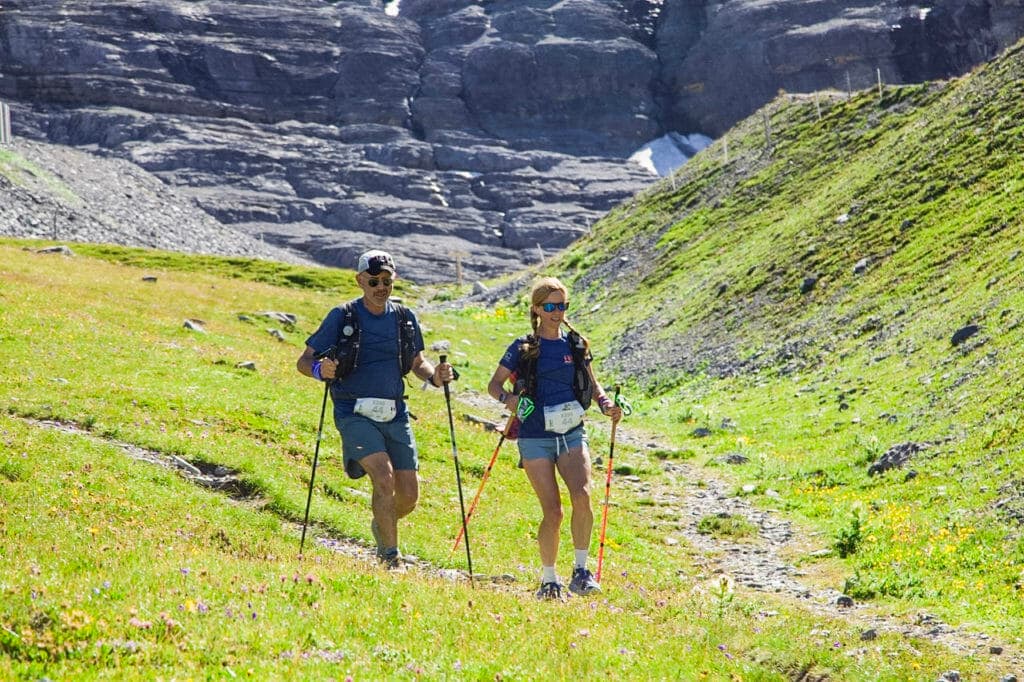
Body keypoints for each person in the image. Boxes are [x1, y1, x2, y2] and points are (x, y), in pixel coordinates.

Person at [297, 249, 454, 568]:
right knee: (384, 478)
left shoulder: (405, 317)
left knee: (409, 495)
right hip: (353, 412)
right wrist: (319, 370)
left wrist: (435, 377)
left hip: (395, 413)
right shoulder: (342, 315)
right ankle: (390, 558)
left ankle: (382, 524)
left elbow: (417, 362)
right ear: (360, 281)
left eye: (386, 281)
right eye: (373, 281)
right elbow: (304, 361)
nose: (381, 287)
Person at [487, 276, 622, 599]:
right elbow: (494, 385)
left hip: (572, 433)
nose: (557, 312)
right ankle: (549, 581)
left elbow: (593, 384)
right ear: (536, 309)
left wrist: (606, 404)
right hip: (535, 438)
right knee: (554, 511)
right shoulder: (522, 347)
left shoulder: (576, 344)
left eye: (562, 306)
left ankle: (581, 572)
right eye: (550, 307)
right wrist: (509, 400)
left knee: (583, 496)